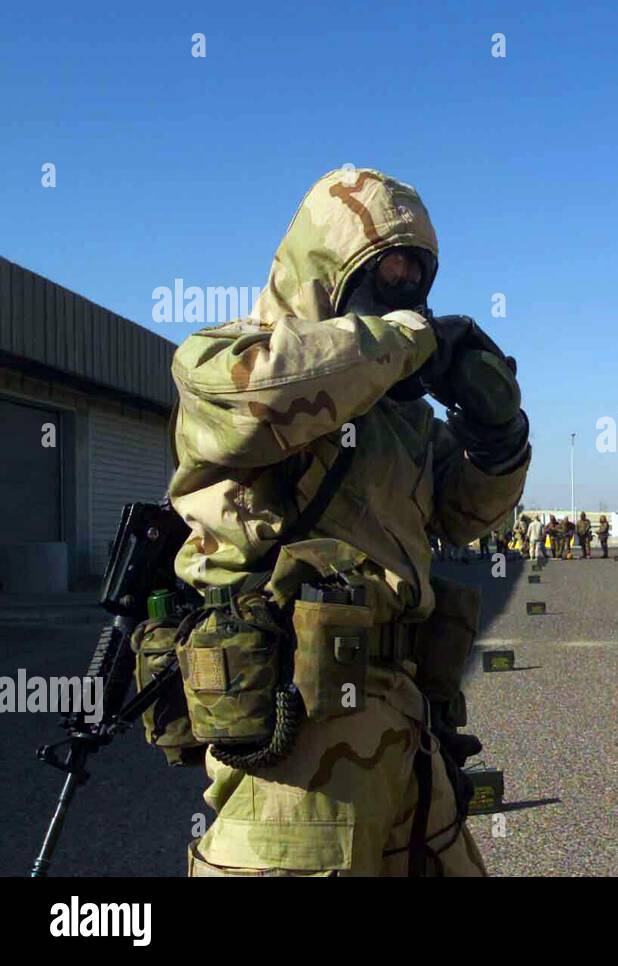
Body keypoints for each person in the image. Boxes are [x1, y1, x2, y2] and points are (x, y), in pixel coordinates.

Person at [168, 167, 530, 876]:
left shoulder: (403, 420)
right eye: (382, 274)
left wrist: (498, 433)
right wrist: (407, 339)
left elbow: (468, 515)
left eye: (416, 279)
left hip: (407, 721)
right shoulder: (225, 361)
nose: (405, 295)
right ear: (324, 270)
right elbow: (266, 402)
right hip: (296, 742)